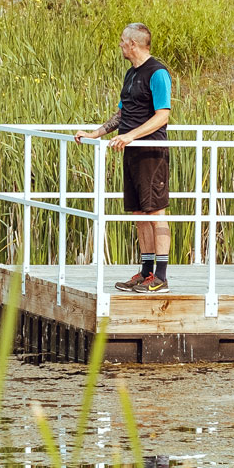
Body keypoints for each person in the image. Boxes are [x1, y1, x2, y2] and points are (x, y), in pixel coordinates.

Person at [74, 23, 172, 294]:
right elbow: (122, 114)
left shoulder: (158, 73)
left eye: (121, 41)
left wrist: (132, 136)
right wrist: (95, 133)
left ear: (133, 44)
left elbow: (163, 115)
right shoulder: (131, 74)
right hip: (131, 153)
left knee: (156, 213)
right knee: (140, 214)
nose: (119, 45)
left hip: (151, 153)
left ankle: (161, 277)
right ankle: (145, 272)